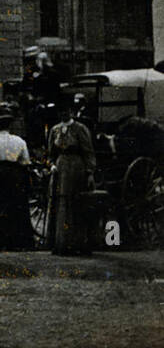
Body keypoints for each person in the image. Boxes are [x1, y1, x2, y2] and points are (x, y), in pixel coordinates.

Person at [47, 100, 97, 255]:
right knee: (60, 202)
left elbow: (88, 152)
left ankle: (77, 243)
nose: (63, 114)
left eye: (66, 111)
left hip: (76, 168)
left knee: (75, 203)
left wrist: (89, 172)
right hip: (60, 168)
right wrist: (52, 164)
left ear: (71, 112)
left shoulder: (80, 129)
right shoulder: (54, 130)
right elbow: (50, 153)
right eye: (60, 112)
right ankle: (61, 243)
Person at [0, 111, 33, 250]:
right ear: (9, 127)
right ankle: (16, 242)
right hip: (15, 174)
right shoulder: (19, 141)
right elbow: (25, 161)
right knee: (15, 206)